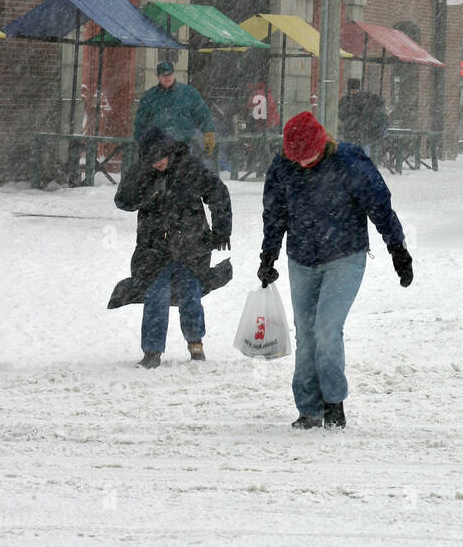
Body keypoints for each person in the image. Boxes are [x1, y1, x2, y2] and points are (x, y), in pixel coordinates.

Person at [258, 111, 413, 430]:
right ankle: (308, 408)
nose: (302, 163)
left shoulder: (350, 164)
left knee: (327, 329)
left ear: (322, 143)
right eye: (296, 158)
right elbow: (275, 214)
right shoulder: (283, 167)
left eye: (308, 156)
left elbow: (380, 206)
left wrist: (397, 249)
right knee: (306, 336)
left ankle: (334, 402)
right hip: (301, 258)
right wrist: (268, 256)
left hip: (344, 255)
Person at [108, 126, 233, 367]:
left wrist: (222, 230)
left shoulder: (190, 168)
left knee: (190, 295)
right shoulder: (143, 171)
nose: (157, 164)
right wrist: (143, 182)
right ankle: (152, 352)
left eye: (160, 159)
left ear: (169, 152)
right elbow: (123, 201)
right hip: (154, 248)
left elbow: (218, 193)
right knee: (155, 295)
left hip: (190, 246)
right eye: (152, 161)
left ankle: (196, 344)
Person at [133, 61, 216, 162]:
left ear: (173, 74)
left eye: (170, 74)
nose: (167, 77)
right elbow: (140, 122)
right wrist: (141, 142)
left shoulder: (189, 93)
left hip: (184, 146)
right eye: (163, 75)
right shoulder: (150, 96)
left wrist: (209, 132)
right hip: (157, 149)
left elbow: (203, 115)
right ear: (158, 77)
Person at [337, 77, 388, 159]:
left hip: (359, 134)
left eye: (355, 89)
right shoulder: (366, 98)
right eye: (352, 89)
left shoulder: (352, 100)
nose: (353, 91)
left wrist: (354, 120)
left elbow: (342, 115)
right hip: (359, 134)